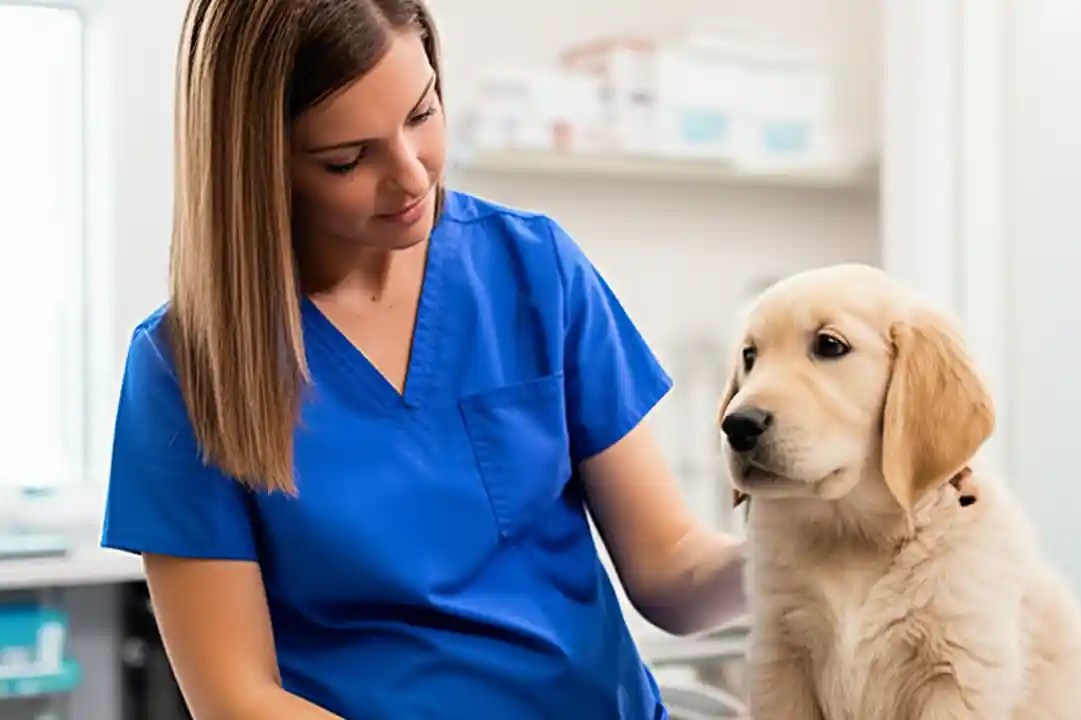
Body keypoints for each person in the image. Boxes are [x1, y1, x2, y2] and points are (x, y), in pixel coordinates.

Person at [98, 1, 747, 718]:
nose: (412, 178)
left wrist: (798, 548)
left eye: (422, 114)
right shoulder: (187, 368)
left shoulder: (534, 270)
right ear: (258, 161)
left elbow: (671, 575)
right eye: (347, 159)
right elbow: (236, 698)